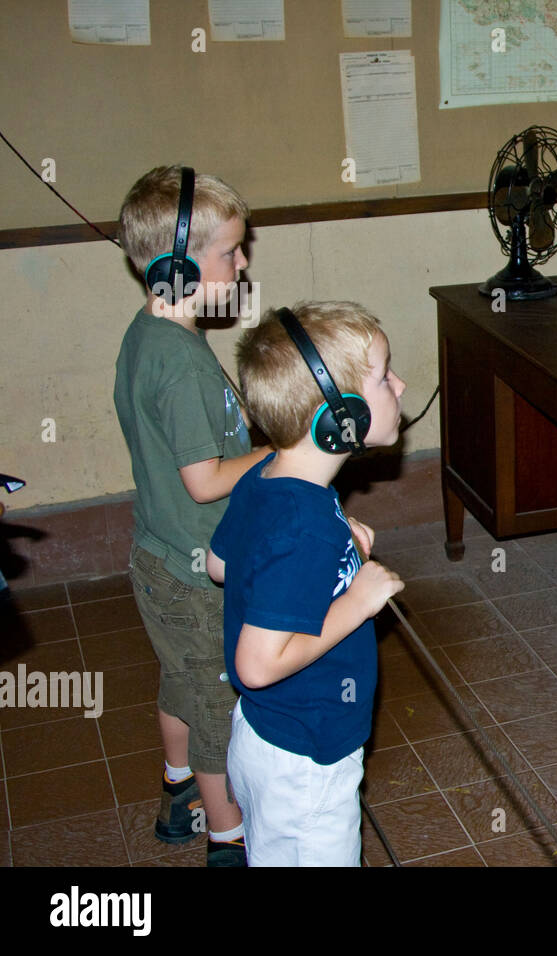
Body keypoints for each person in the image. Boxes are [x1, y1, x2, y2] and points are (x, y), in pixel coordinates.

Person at [207, 301, 406, 866]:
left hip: (263, 737)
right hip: (305, 761)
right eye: (384, 375)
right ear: (344, 416)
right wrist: (358, 601)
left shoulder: (267, 479)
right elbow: (257, 665)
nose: (401, 383)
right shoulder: (307, 526)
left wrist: (342, 550)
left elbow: (221, 565)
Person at [114, 165, 270, 866]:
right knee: (216, 703)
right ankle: (226, 834)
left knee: (182, 677)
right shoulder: (180, 364)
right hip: (192, 570)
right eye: (231, 251)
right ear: (178, 265)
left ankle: (176, 785)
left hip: (158, 555)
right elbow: (205, 482)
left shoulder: (154, 332)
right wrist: (277, 454)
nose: (242, 263)